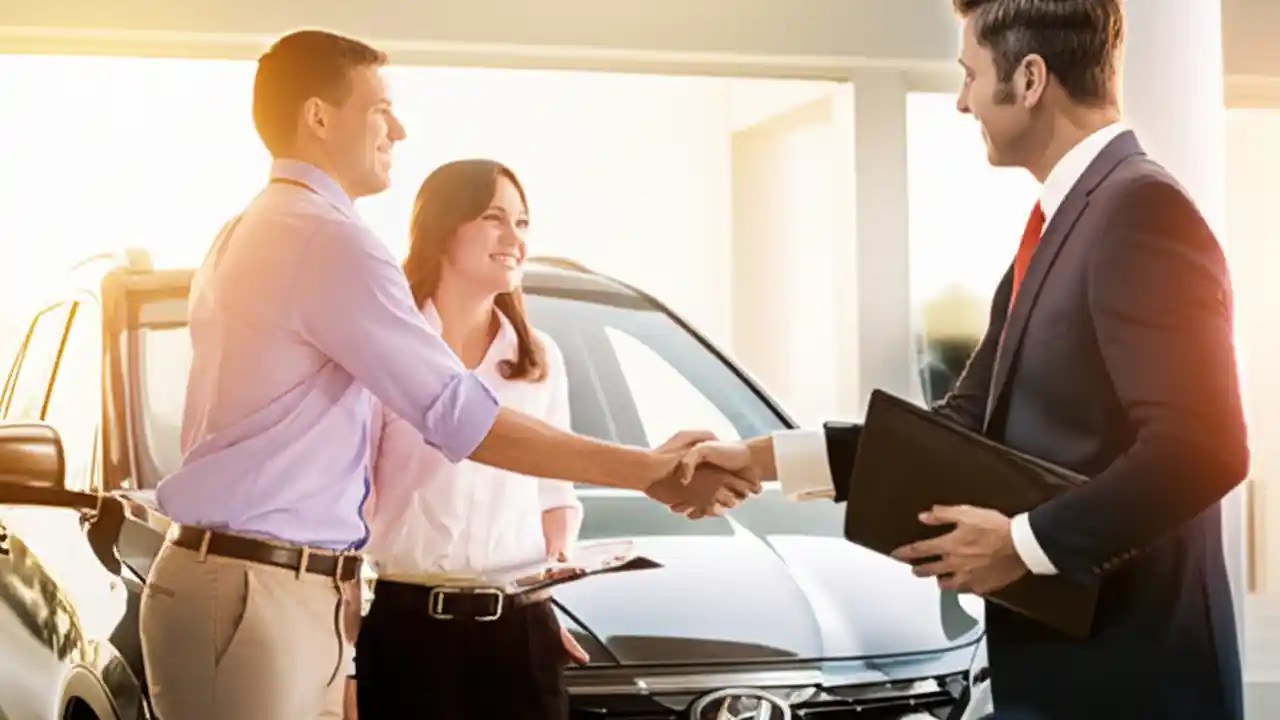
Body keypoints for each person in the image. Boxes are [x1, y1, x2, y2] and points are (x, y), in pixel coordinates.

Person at [139, 31, 755, 720]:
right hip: (260, 595)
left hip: (277, 591)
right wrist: (647, 469)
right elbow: (462, 419)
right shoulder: (327, 240)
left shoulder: (258, 227)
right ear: (318, 117)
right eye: (380, 110)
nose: (398, 130)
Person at [677, 1, 1249, 718]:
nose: (961, 101)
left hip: (1135, 684)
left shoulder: (1143, 210)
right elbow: (960, 427)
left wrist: (1025, 544)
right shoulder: (1056, 226)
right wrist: (759, 461)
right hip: (1057, 678)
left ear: (1031, 78)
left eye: (970, 75)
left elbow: (1204, 447)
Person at [350, 158, 586, 718]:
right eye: (493, 217)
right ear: (442, 229)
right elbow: (353, 505)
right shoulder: (390, 353)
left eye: (523, 223)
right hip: (409, 633)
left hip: (523, 631)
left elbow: (556, 495)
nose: (514, 239)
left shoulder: (538, 359)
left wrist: (556, 571)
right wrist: (345, 659)